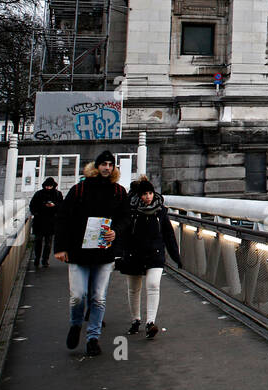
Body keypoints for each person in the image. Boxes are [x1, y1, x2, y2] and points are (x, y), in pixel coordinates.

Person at [53, 150, 129, 356]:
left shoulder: (119, 192)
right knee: (78, 296)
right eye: (103, 164)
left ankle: (93, 338)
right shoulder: (79, 190)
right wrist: (60, 248)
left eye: (110, 165)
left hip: (104, 252)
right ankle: (76, 324)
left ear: (113, 168)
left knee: (98, 298)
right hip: (78, 252)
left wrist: (116, 232)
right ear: (96, 167)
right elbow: (63, 217)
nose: (107, 167)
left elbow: (125, 218)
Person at [117, 176, 182, 340]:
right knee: (134, 288)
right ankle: (135, 319)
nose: (148, 197)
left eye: (150, 193)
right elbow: (123, 232)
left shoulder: (160, 210)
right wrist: (118, 253)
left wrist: (176, 256)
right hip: (134, 253)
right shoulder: (131, 211)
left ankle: (150, 322)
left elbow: (168, 234)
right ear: (138, 195)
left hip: (155, 253)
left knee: (153, 285)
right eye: (144, 194)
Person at [28, 177, 64, 267]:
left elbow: (62, 207)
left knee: (48, 243)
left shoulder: (58, 194)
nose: (48, 188)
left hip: (50, 221)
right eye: (47, 186)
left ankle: (45, 260)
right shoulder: (39, 194)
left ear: (53, 186)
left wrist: (54, 206)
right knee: (38, 241)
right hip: (40, 221)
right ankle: (37, 258)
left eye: (50, 186)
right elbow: (32, 205)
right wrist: (40, 209)